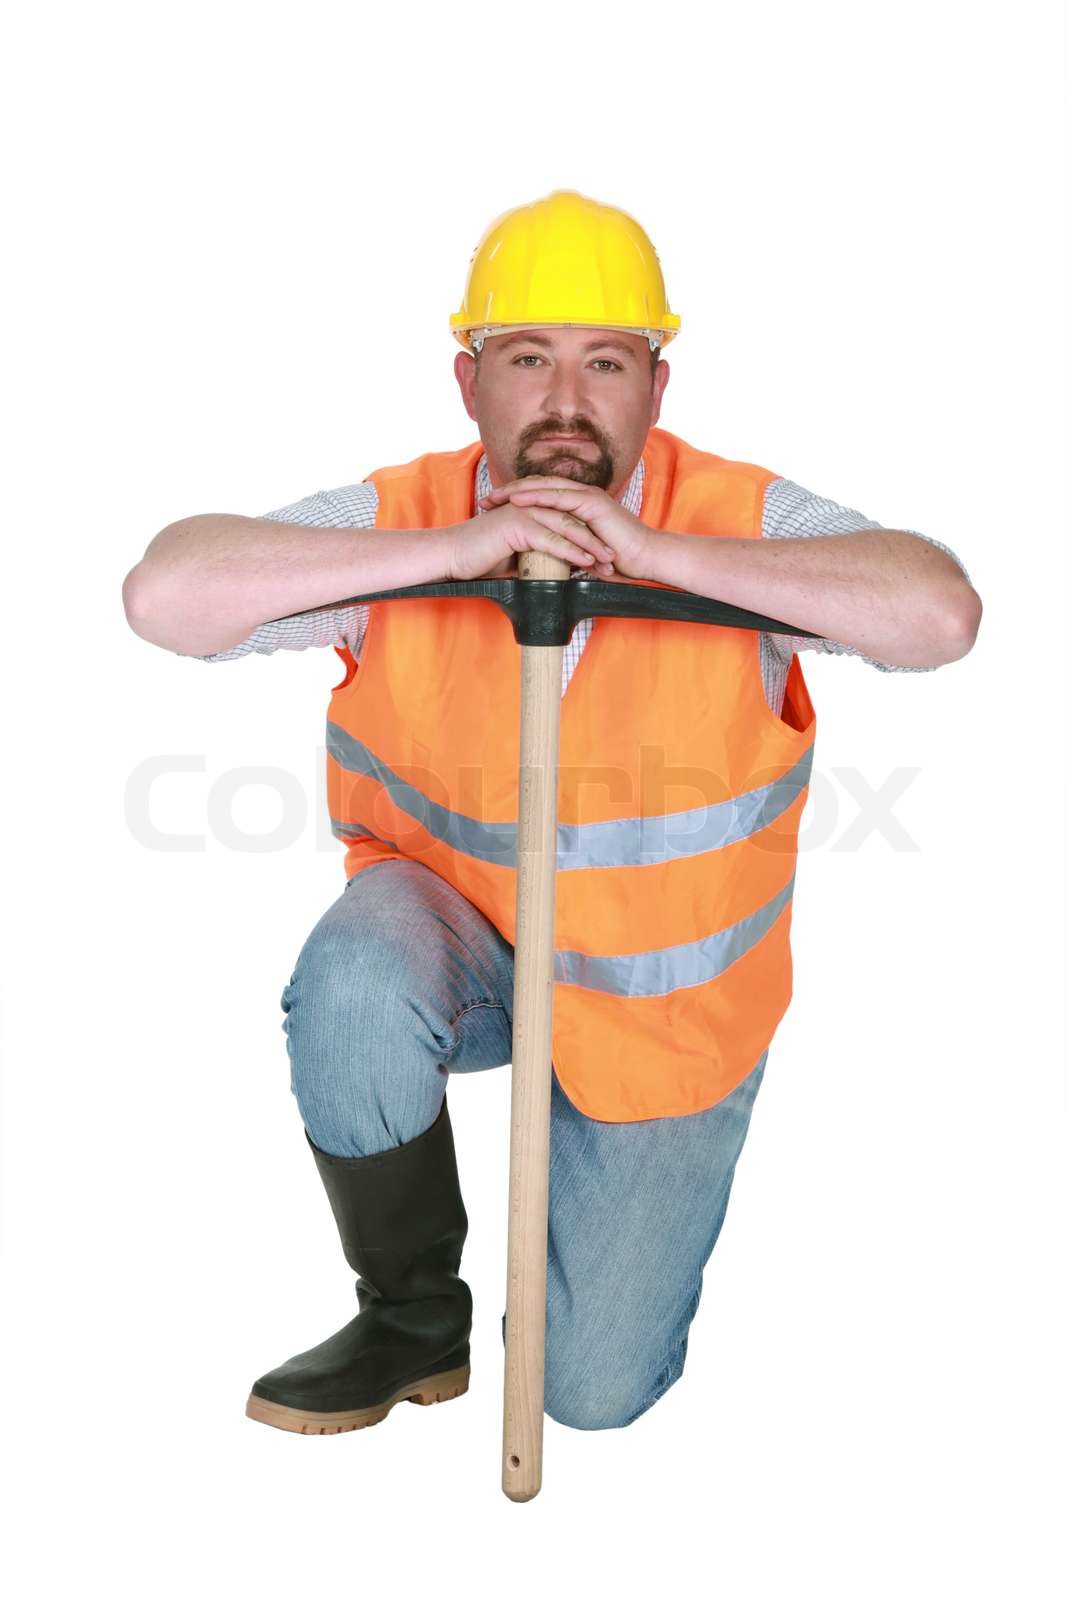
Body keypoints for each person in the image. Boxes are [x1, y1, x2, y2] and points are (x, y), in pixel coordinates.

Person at [122, 188, 982, 1438]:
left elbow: (936, 616)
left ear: (655, 386)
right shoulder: (405, 514)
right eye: (526, 359)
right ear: (469, 381)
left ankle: (581, 1298)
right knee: (356, 980)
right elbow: (169, 595)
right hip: (457, 943)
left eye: (605, 362)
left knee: (584, 1396)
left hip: (661, 1013)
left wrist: (659, 556)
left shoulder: (739, 521)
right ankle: (412, 1317)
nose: (565, 400)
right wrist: (450, 552)